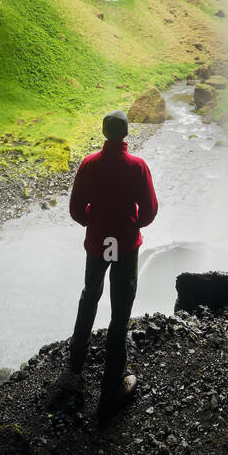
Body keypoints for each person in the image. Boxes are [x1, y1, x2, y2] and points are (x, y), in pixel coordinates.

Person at [67, 108, 158, 420]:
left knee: (89, 296)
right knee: (120, 312)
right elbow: (149, 210)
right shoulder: (137, 166)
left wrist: (94, 222)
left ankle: (75, 362)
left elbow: (76, 209)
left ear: (104, 133)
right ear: (126, 133)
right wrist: (132, 224)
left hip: (98, 244)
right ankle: (113, 385)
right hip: (125, 245)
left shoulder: (89, 164)